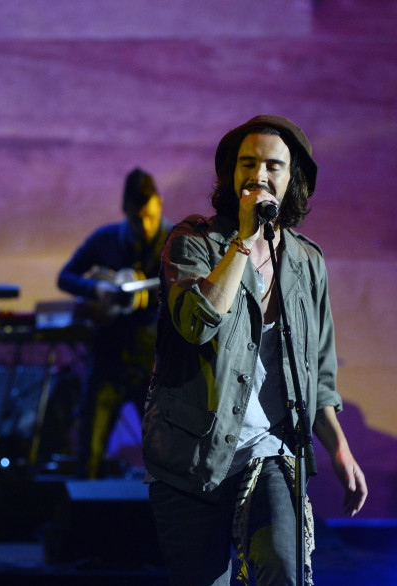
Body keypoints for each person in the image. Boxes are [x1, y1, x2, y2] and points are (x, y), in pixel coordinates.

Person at [142, 115, 368, 585]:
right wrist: (243, 240)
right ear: (230, 174)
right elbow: (195, 324)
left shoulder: (307, 261)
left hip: (271, 452)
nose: (259, 175)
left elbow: (318, 374)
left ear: (293, 181)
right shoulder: (193, 242)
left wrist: (340, 451)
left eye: (273, 165)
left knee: (283, 572)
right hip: (193, 457)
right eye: (248, 163)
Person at [58, 168, 172, 478]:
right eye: (138, 219)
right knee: (89, 452)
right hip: (107, 360)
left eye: (150, 216)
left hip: (152, 366)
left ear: (160, 205)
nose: (146, 226)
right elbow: (65, 276)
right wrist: (95, 289)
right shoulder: (105, 239)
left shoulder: (177, 242)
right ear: (124, 210)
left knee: (163, 454)